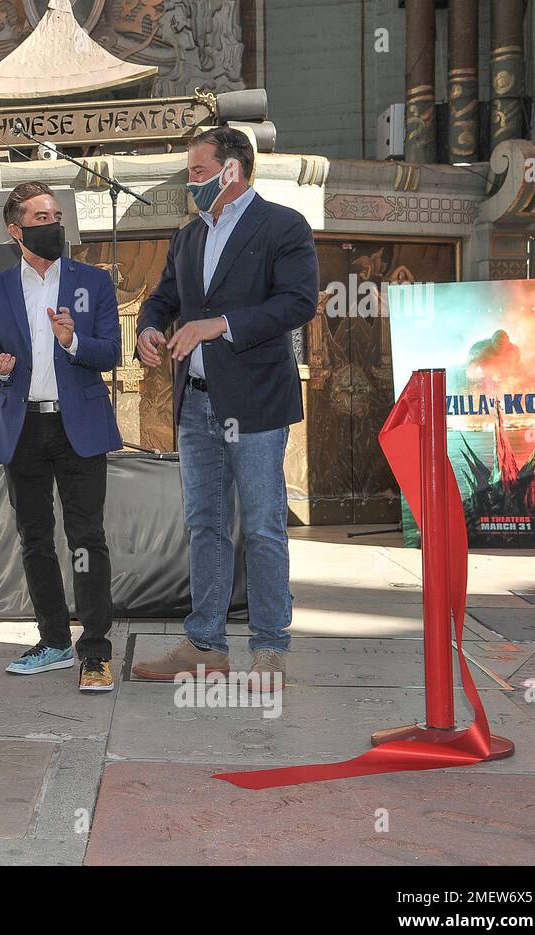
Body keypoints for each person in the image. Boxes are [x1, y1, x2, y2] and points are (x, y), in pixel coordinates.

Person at [132, 126, 318, 683]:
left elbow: (298, 302)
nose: (190, 183)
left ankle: (269, 646)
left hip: (256, 404)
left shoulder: (283, 225)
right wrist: (147, 326)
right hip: (196, 405)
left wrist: (223, 325)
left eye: (196, 172)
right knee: (205, 525)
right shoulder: (188, 236)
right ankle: (205, 645)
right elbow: (166, 296)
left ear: (231, 170)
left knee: (262, 526)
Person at [0, 181, 123, 693]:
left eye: (56, 215)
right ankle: (54, 640)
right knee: (34, 538)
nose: (52, 225)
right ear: (16, 231)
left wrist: (73, 340)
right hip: (23, 429)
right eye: (40, 218)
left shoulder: (93, 282)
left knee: (87, 539)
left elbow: (110, 354)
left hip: (77, 426)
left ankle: (96, 651)